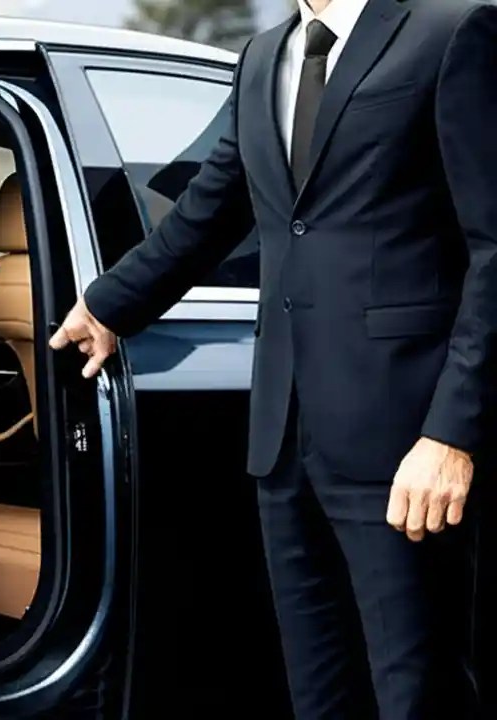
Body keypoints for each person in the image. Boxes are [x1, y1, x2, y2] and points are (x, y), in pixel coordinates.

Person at [50, 0, 497, 717]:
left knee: (417, 695)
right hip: (283, 443)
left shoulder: (448, 32)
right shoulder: (263, 59)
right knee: (319, 695)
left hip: (402, 445)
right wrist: (109, 305)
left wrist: (451, 435)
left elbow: (492, 248)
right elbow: (211, 208)